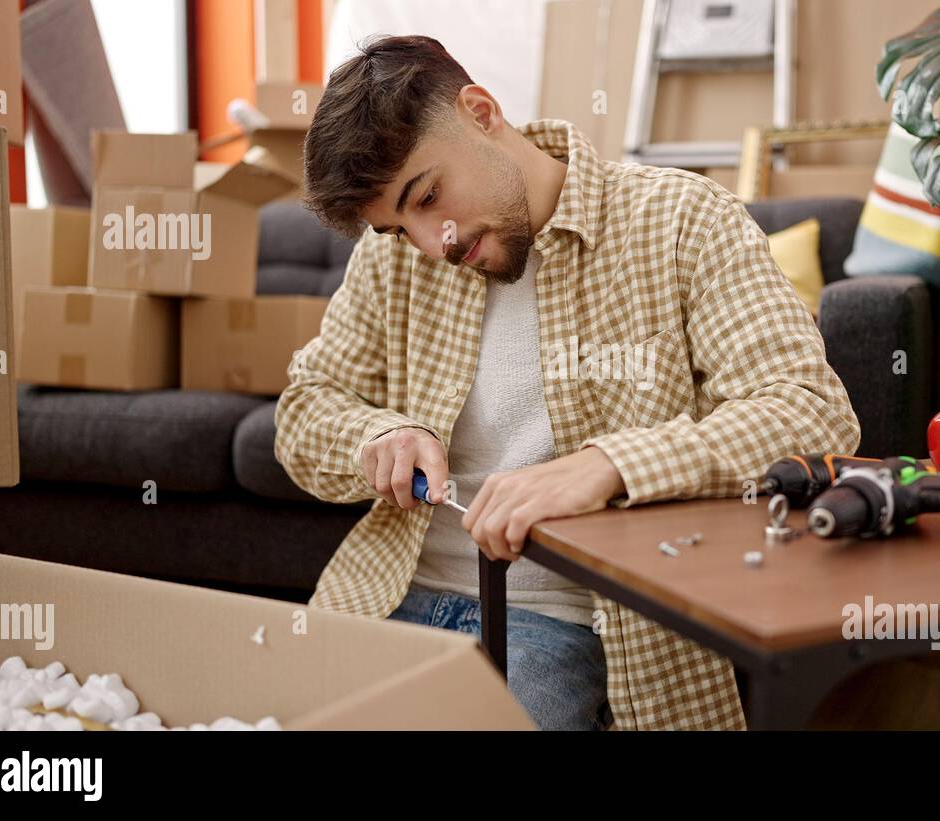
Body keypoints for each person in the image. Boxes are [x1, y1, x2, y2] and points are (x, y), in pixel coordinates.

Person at [274, 34, 860, 730]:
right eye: (401, 229)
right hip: (383, 599)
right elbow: (304, 407)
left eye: (429, 196)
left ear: (481, 111)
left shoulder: (680, 221)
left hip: (555, 625)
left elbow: (811, 411)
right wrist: (378, 432)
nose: (437, 244)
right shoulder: (393, 264)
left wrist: (609, 464)